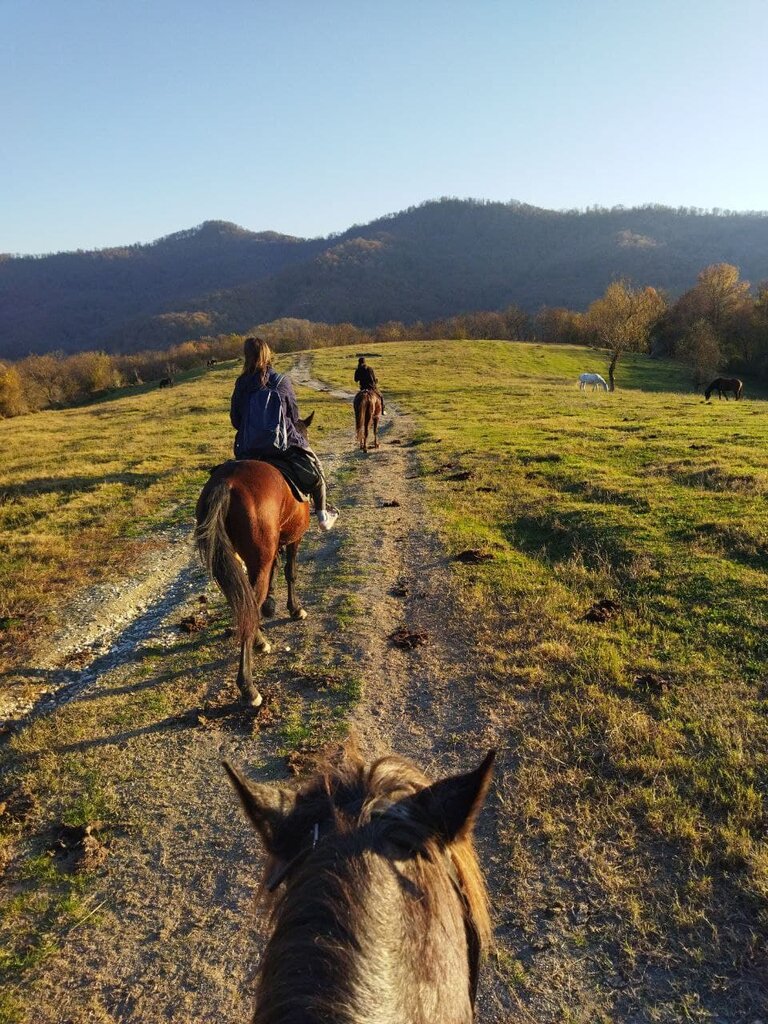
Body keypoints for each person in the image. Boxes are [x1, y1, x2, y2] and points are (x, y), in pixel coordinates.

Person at [230, 337, 338, 531]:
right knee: (316, 470)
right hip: (283, 447)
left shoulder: (241, 384)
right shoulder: (281, 381)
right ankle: (323, 516)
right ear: (268, 354)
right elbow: (294, 416)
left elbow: (235, 421)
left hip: (248, 450)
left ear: (246, 357)